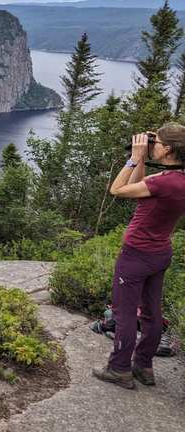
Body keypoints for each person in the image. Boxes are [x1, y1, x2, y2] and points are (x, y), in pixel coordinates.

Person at [92, 123, 185, 389]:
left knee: (124, 313)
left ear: (167, 149)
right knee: (152, 313)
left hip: (136, 255)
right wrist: (143, 158)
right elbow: (139, 187)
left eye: (156, 143)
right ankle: (143, 366)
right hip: (159, 253)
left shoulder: (164, 182)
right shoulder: (175, 180)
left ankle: (119, 369)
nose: (151, 144)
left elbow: (118, 190)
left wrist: (134, 158)